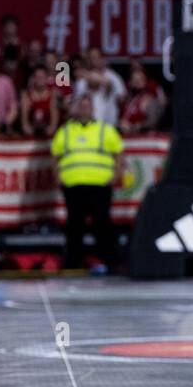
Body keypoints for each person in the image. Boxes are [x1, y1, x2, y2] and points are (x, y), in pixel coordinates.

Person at [51, 93, 124, 273]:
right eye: (81, 105)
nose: (84, 109)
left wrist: (115, 176)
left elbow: (119, 155)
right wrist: (57, 177)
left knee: (102, 225)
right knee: (75, 225)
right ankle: (73, 261)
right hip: (73, 185)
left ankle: (108, 261)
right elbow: (55, 156)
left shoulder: (105, 130)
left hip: (99, 185)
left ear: (93, 108)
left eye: (87, 105)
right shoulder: (66, 130)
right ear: (76, 108)